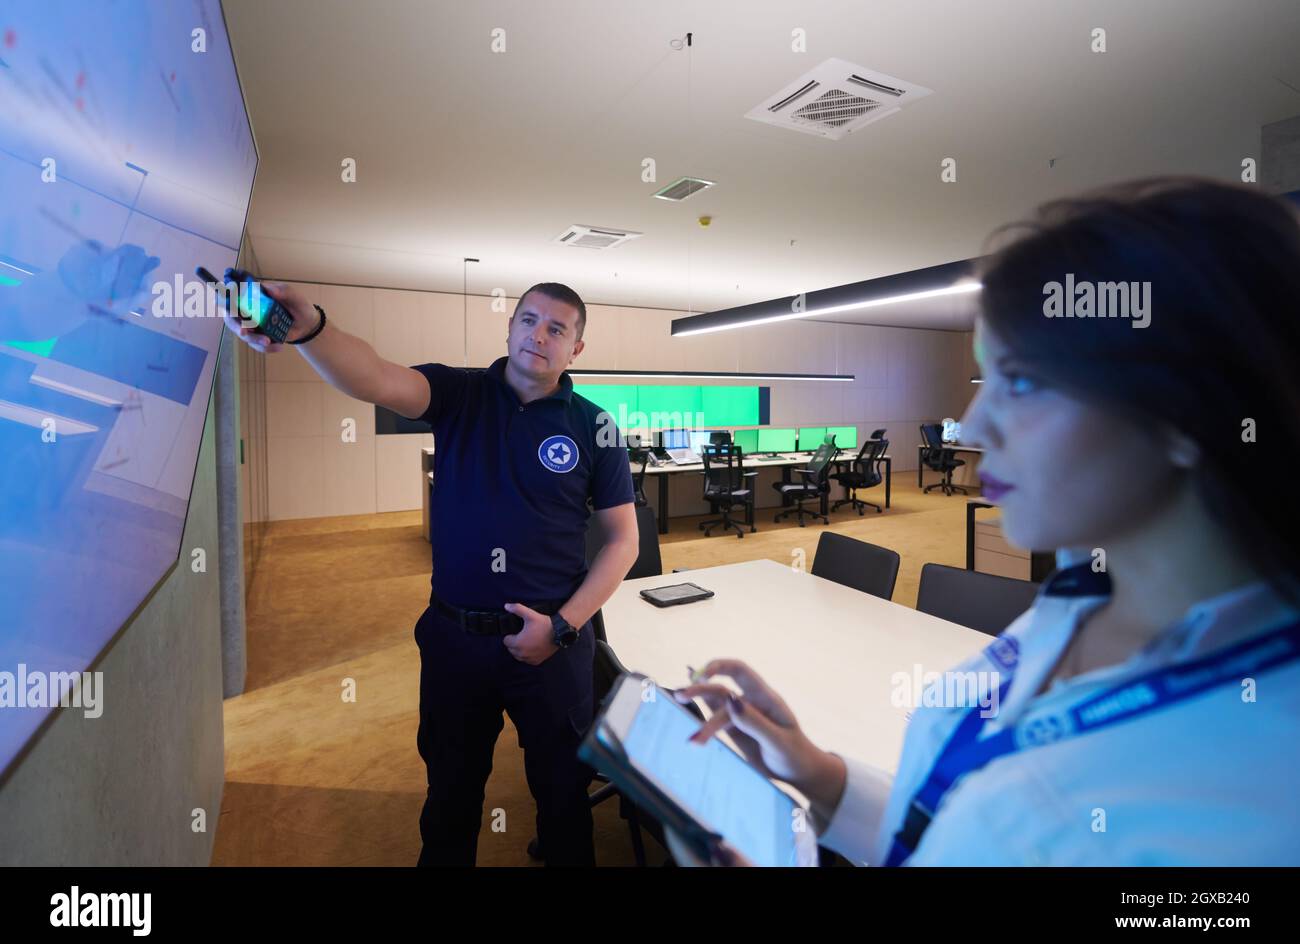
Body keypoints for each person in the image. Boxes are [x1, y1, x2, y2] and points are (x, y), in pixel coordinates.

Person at [675, 176, 1300, 865]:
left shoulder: (1260, 805)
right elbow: (958, 828)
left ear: (1187, 412)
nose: (973, 424)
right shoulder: (1074, 605)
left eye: (1023, 381)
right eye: (984, 379)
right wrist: (817, 775)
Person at [226, 281, 639, 866]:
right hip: (456, 642)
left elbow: (623, 541)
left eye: (556, 328)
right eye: (528, 320)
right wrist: (313, 330)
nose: (537, 335)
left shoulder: (595, 427)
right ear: (510, 327)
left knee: (563, 798)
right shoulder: (460, 393)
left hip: (555, 647)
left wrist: (564, 628)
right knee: (449, 794)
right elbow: (371, 375)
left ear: (576, 349)